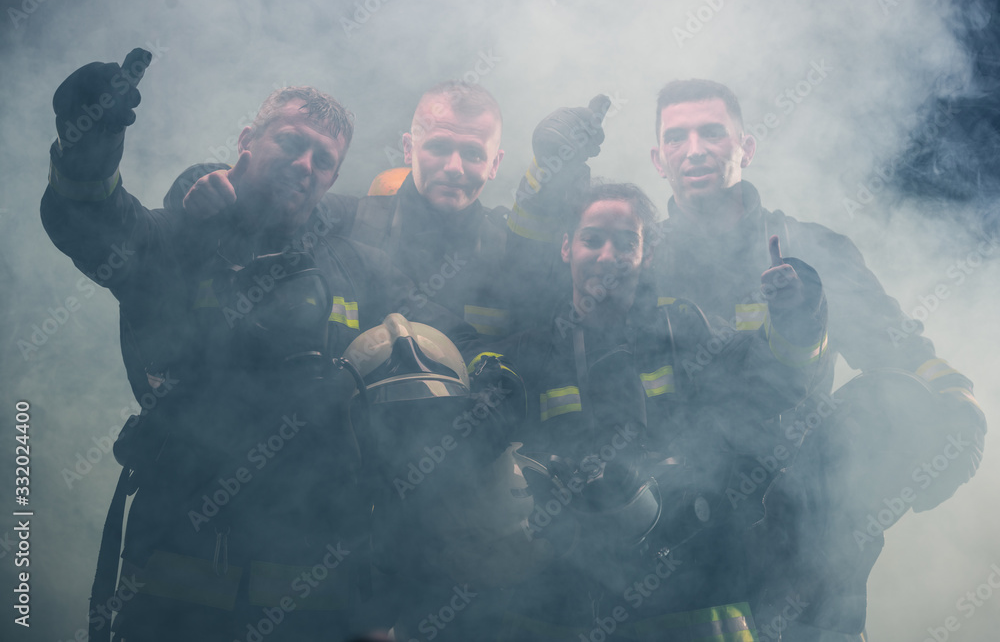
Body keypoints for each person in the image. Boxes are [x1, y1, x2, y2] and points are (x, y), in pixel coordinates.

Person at [41, 49, 473, 642]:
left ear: (334, 178)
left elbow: (451, 344)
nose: (305, 164)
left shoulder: (361, 274)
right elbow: (87, 220)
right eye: (291, 143)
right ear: (247, 138)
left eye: (324, 159)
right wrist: (88, 134)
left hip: (319, 604)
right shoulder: (177, 242)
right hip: (175, 595)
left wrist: (498, 380)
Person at [470, 180, 830, 641]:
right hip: (560, 606)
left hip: (693, 596)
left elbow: (774, 382)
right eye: (592, 239)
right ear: (565, 248)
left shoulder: (685, 330)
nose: (607, 256)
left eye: (626, 242)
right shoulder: (527, 353)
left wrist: (798, 313)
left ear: (648, 254)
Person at [173, 80, 530, 338]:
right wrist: (200, 182)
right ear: (409, 149)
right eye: (439, 147)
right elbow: (272, 201)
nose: (454, 167)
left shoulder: (513, 253)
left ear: (495, 163)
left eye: (473, 153)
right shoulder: (345, 219)